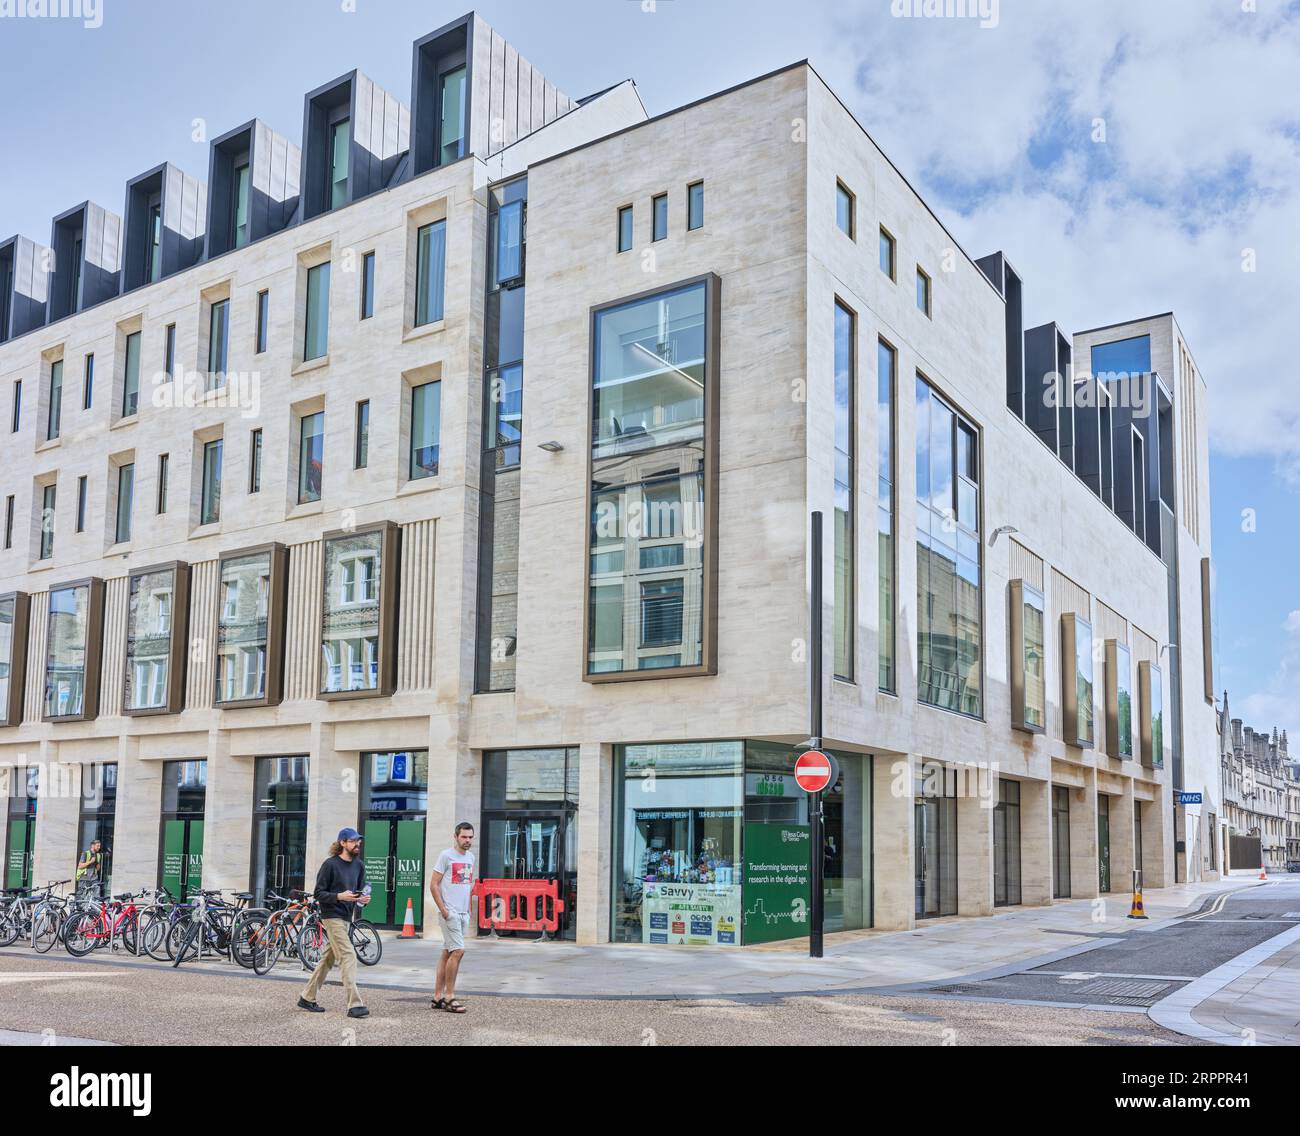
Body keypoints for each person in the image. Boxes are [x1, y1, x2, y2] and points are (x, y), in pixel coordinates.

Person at [298, 827, 371, 1019]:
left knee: (328, 959)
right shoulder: (330, 865)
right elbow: (318, 894)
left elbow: (359, 891)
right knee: (348, 955)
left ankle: (307, 996)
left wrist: (362, 898)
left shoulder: (359, 865)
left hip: (347, 917)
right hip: (332, 916)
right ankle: (355, 1005)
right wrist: (339, 896)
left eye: (359, 841)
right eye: (354, 841)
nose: (358, 844)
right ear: (343, 843)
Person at [429, 822, 476, 1014]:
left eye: (470, 837)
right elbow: (434, 884)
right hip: (450, 913)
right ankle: (450, 997)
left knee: (448, 952)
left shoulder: (471, 857)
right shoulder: (446, 855)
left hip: (463, 913)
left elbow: (468, 885)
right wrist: (444, 910)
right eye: (464, 837)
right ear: (455, 837)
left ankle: (437, 997)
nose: (467, 840)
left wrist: (468, 909)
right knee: (459, 951)